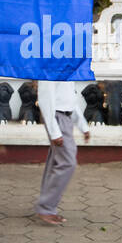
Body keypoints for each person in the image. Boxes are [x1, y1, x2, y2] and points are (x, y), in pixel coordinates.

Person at [34, 80, 91, 226]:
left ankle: (46, 206)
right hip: (56, 118)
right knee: (67, 163)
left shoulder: (67, 67)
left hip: (66, 117)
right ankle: (46, 208)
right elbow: (45, 99)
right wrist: (54, 131)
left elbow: (71, 100)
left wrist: (82, 125)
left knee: (55, 161)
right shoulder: (51, 67)